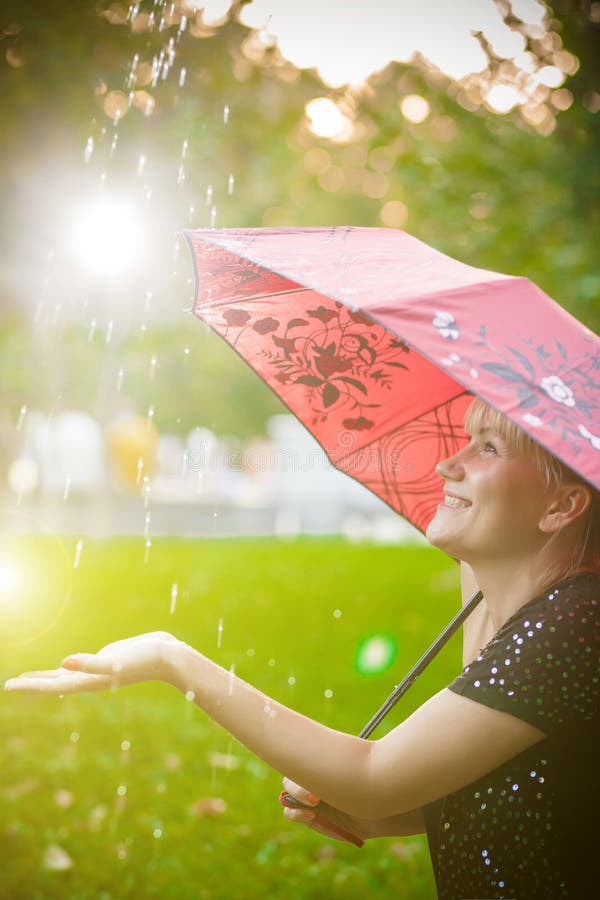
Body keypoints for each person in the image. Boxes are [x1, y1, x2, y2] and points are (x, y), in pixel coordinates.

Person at [4, 399, 599, 900]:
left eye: (489, 448)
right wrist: (388, 815)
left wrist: (172, 659)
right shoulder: (510, 607)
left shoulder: (576, 623)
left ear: (562, 505)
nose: (449, 463)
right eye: (466, 440)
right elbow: (527, 787)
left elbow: (373, 775)